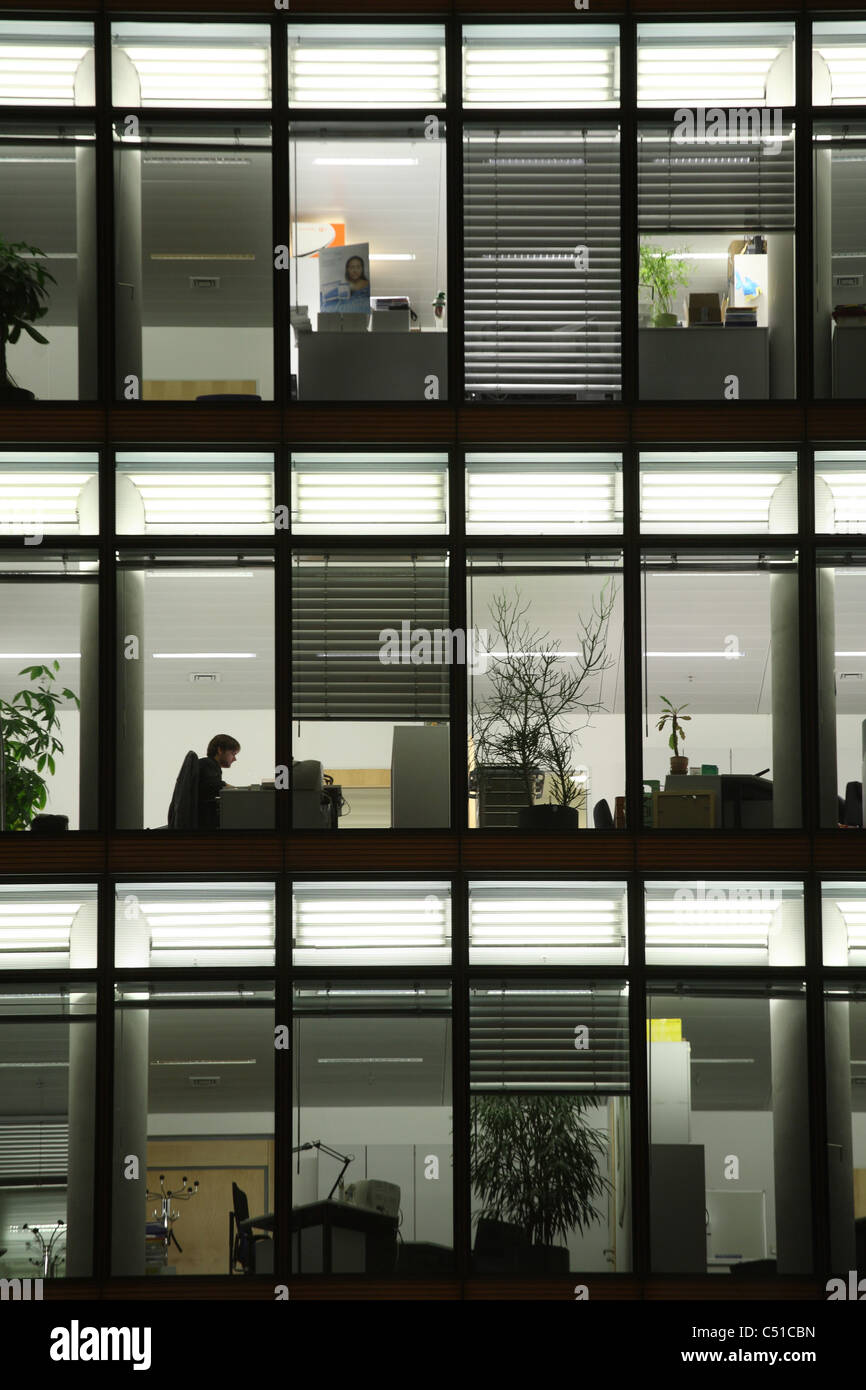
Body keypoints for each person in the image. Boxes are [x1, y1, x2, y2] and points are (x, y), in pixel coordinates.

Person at [198, 734, 240, 830]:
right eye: (233, 754)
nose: (235, 759)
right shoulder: (208, 764)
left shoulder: (208, 765)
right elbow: (215, 785)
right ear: (220, 750)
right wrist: (236, 789)